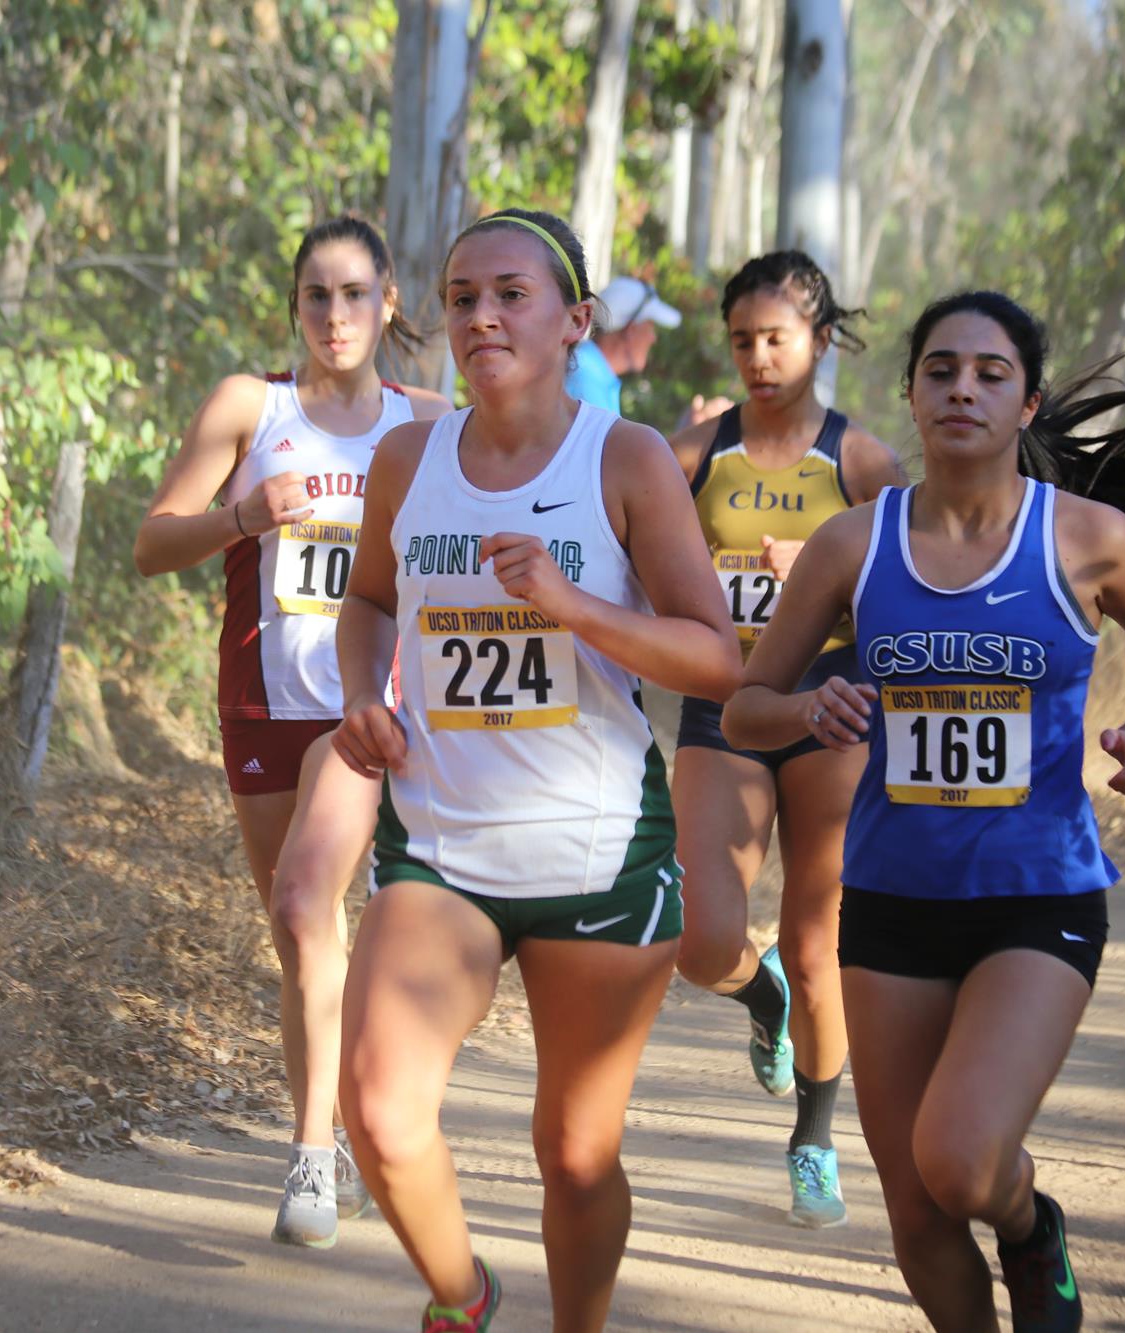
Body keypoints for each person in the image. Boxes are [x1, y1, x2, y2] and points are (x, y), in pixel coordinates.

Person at [725, 289, 1125, 1332]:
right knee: (914, 1213)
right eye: (940, 370)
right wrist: (803, 704)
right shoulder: (849, 544)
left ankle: (1028, 1223)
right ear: (910, 394)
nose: (961, 387)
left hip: (1035, 899)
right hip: (888, 903)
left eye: (988, 373)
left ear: (1026, 403)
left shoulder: (1086, 539)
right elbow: (740, 707)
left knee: (959, 1163)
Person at [333, 208, 744, 1333]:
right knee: (375, 1107)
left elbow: (712, 653)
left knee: (572, 1152)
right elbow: (369, 602)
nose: (480, 316)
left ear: (573, 323)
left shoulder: (626, 458)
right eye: (461, 297)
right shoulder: (407, 457)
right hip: (440, 843)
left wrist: (572, 606)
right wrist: (364, 695)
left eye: (509, 294)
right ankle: (460, 1298)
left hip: (598, 852)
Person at [132, 215, 450, 1247]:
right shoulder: (247, 407)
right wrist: (240, 517)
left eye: (355, 293)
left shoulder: (426, 421)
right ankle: (339, 1131)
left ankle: (312, 1152)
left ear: (389, 302)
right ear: (294, 308)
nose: (335, 314)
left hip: (367, 709)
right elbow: (149, 543)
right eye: (316, 295)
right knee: (297, 926)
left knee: (311, 897)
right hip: (260, 701)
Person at [665, 251, 905, 1228]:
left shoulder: (860, 462)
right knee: (700, 936)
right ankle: (757, 997)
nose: (758, 357)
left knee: (819, 949)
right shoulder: (692, 453)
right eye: (741, 341)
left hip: (836, 704)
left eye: (776, 338)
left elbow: (914, 581)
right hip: (724, 702)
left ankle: (812, 1135)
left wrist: (828, 568)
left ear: (816, 340)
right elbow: (639, 560)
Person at [563, 275, 681, 413]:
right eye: (650, 326)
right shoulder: (586, 382)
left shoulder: (588, 371)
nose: (653, 338)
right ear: (631, 329)